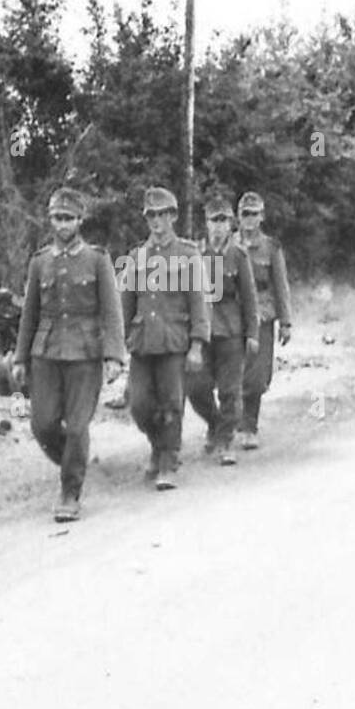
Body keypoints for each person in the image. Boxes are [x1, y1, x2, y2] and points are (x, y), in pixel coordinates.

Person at [13, 188, 126, 522]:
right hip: (45, 353)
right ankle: (74, 461)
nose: (61, 225)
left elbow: (111, 311)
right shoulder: (39, 262)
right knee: (42, 424)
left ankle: (70, 491)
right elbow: (29, 314)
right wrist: (20, 358)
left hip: (85, 353)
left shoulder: (97, 259)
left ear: (80, 220)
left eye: (68, 218)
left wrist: (114, 356)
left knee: (77, 427)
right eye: (56, 218)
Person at [121, 186, 209, 490]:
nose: (157, 221)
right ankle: (158, 445)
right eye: (151, 215)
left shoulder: (187, 255)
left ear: (173, 216)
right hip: (143, 342)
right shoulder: (136, 256)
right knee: (139, 404)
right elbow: (126, 303)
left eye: (162, 214)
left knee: (172, 403)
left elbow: (198, 301)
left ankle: (168, 459)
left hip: (174, 340)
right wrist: (120, 342)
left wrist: (197, 344)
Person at [186, 195, 259, 466]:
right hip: (201, 332)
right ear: (205, 224)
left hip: (230, 331)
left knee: (230, 389)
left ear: (231, 224)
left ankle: (226, 440)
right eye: (214, 220)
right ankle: (215, 423)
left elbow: (249, 297)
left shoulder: (238, 256)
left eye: (224, 221)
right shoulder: (195, 253)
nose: (218, 226)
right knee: (196, 387)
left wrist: (252, 333)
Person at [233, 191, 293, 450]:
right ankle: (228, 423)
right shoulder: (227, 245)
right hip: (232, 317)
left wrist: (286, 321)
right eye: (245, 213)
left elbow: (280, 285)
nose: (249, 219)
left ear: (262, 216)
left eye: (254, 214)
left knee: (257, 377)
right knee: (230, 374)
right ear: (238, 216)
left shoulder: (271, 247)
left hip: (262, 317)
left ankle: (249, 425)